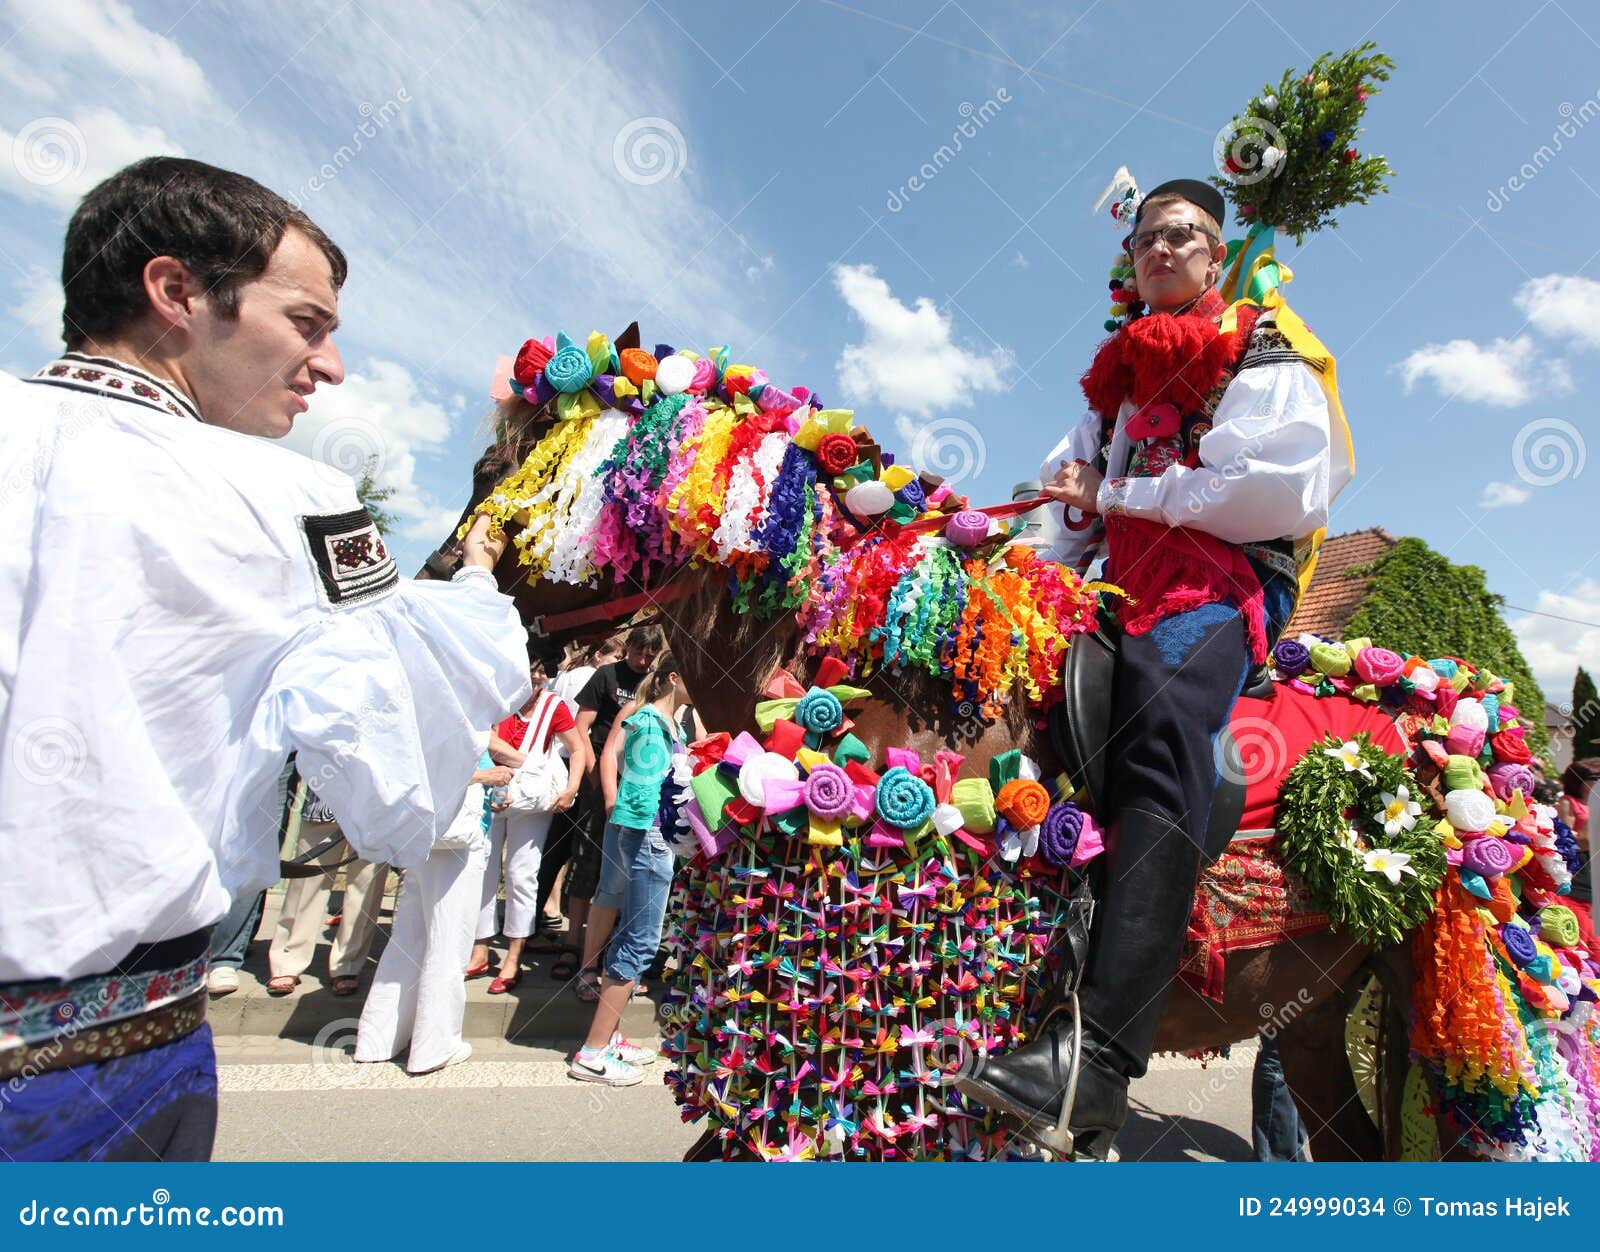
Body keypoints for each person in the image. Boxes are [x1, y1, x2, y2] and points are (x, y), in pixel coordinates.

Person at [0, 157, 529, 1162]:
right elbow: (397, 789)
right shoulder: (294, 501)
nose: (328, 367)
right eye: (309, 323)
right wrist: (480, 587)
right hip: (103, 1072)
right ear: (176, 293)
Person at [955, 179, 1344, 1157]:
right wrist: (1041, 559)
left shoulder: (1259, 348)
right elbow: (1067, 512)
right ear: (1129, 266)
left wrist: (1119, 494)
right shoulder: (1113, 380)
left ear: (1216, 258)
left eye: (1185, 236)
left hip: (1213, 592)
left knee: (1163, 715)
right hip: (1117, 585)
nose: (1163, 249)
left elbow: (1272, 487)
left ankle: (1097, 1062)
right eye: (1146, 240)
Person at [567, 654, 689, 1085]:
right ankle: (593, 1053)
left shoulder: (661, 720)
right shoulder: (653, 724)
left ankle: (611, 1037)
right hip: (648, 839)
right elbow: (641, 793)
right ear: (673, 678)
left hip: (640, 836)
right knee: (639, 942)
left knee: (627, 936)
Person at [355, 744, 513, 1073]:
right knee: (448, 944)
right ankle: (434, 1046)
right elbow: (432, 771)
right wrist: (487, 776)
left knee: (409, 940)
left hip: (429, 837)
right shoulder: (459, 716)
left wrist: (489, 790)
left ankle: (378, 1039)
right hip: (457, 844)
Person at [474, 663, 585, 993]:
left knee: (522, 874)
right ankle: (479, 946)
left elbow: (577, 747)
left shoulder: (553, 706)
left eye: (541, 671)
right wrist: (530, 764)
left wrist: (572, 786)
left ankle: (513, 956)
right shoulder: (497, 698)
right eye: (530, 670)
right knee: (483, 869)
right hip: (490, 793)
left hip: (531, 800)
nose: (536, 677)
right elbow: (484, 739)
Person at [564, 627, 663, 985]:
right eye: (639, 652)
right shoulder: (607, 675)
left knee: (626, 870)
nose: (643, 660)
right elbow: (582, 726)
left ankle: (612, 950)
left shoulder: (653, 683)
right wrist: (595, 774)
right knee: (587, 859)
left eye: (650, 655)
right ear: (629, 648)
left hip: (637, 784)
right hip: (603, 777)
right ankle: (573, 942)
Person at [265, 782, 390, 996]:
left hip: (376, 807)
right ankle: (287, 961)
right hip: (324, 799)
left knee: (365, 888)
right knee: (305, 886)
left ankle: (347, 964)